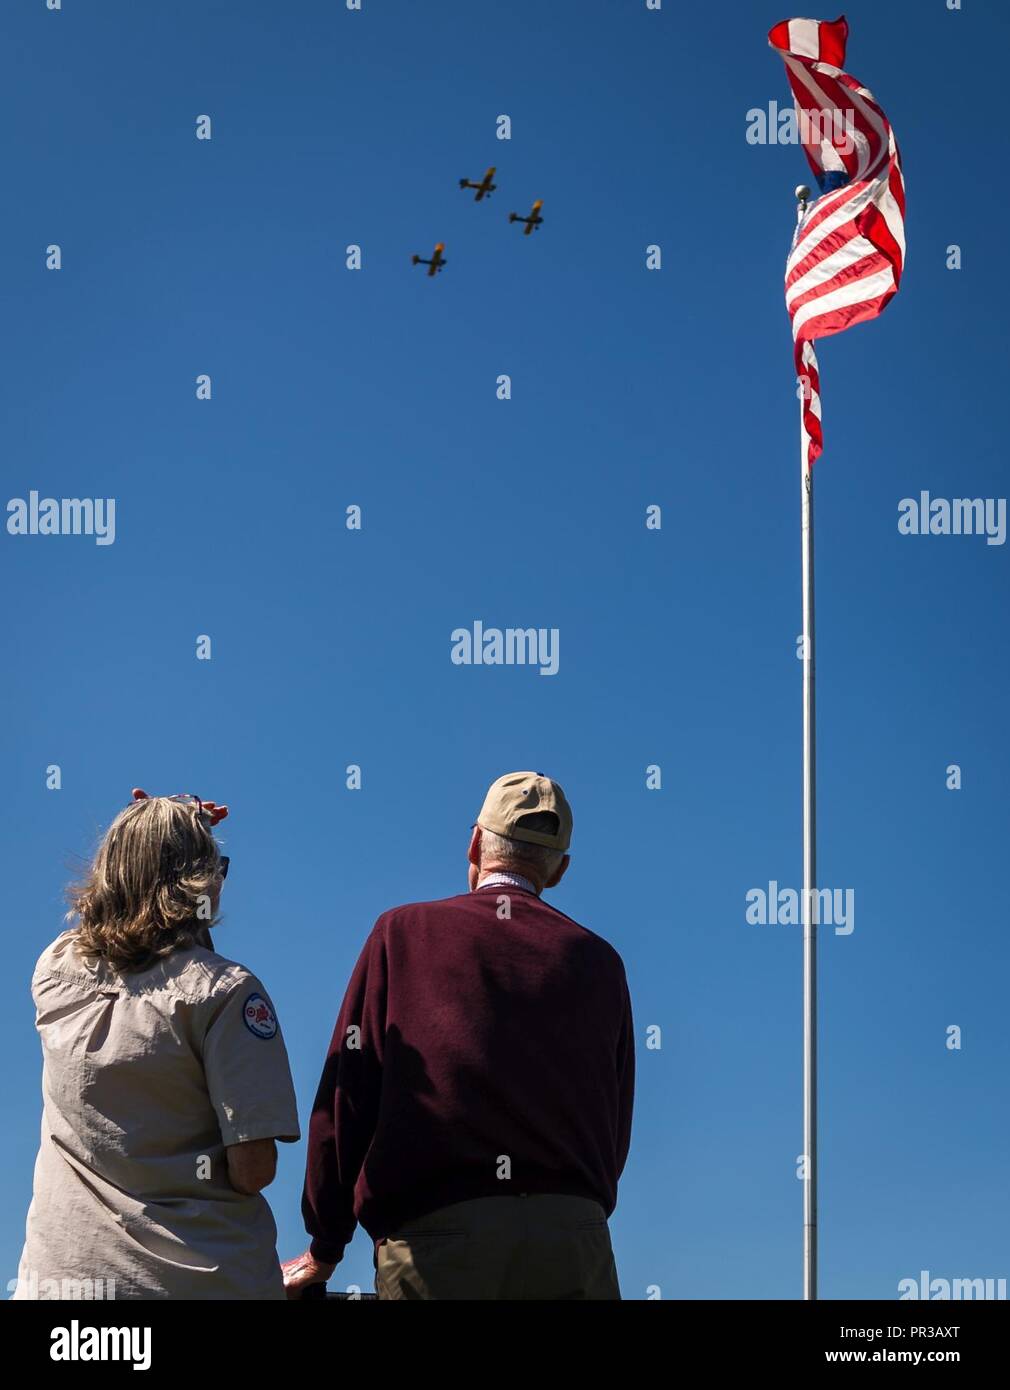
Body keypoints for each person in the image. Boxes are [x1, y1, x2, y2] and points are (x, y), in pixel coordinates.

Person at [284, 771, 634, 1300]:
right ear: (559, 870)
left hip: (438, 1241)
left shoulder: (402, 933)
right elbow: (616, 1125)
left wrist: (325, 1245)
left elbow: (347, 1095)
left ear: (475, 842)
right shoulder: (601, 962)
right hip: (575, 1241)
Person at [13, 790, 300, 1301]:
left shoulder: (53, 973)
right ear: (202, 880)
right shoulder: (227, 994)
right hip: (201, 1285)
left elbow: (115, 937)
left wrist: (142, 832)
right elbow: (253, 1171)